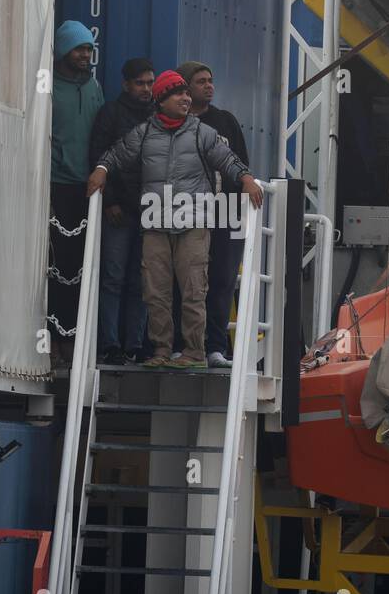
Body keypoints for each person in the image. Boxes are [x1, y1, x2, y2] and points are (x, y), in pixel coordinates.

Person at [87, 70, 262, 369]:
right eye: (177, 94)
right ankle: (162, 350)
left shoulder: (201, 133)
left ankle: (194, 351)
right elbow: (116, 155)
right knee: (156, 291)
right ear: (161, 100)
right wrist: (101, 170)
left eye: (185, 93)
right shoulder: (143, 133)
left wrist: (246, 178)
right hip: (154, 223)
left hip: (194, 222)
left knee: (194, 288)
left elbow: (227, 159)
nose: (185, 98)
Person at [175, 61, 251, 369]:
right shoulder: (173, 123)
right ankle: (184, 346)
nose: (209, 86)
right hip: (187, 212)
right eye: (201, 81)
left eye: (211, 80)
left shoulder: (225, 121)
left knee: (221, 280)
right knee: (187, 281)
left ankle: (216, 348)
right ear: (185, 87)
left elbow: (241, 163)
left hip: (225, 211)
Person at [88, 58, 155, 365]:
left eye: (149, 82)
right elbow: (99, 155)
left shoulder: (158, 116)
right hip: (120, 209)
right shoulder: (111, 113)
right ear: (126, 84)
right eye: (140, 83)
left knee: (142, 281)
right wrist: (111, 199)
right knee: (113, 277)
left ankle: (135, 343)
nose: (146, 88)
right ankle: (110, 343)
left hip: (150, 209)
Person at [48, 20, 106, 368]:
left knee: (78, 269)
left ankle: (72, 341)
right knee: (52, 267)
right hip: (55, 186)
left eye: (88, 49)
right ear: (63, 50)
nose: (85, 55)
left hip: (87, 190)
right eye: (79, 48)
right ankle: (52, 339)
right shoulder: (48, 86)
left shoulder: (94, 87)